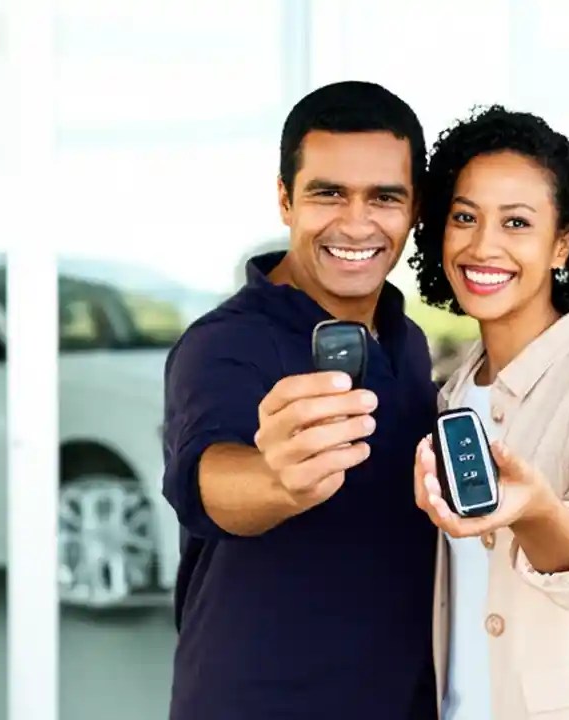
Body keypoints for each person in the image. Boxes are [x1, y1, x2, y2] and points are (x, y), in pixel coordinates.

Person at [161, 80, 440, 720]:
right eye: (328, 193)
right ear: (286, 199)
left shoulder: (408, 340)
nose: (356, 223)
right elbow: (210, 479)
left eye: (385, 198)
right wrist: (276, 478)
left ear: (414, 210)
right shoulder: (225, 344)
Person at [408, 106, 569, 719]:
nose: (483, 245)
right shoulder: (453, 393)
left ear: (563, 243)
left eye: (517, 222)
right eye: (465, 217)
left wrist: (536, 511)